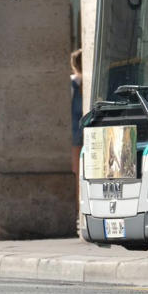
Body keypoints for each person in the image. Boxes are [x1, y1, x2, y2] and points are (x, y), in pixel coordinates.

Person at [70, 49, 83, 196]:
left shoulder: (72, 83)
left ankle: (77, 202)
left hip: (75, 133)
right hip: (84, 131)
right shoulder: (85, 82)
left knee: (76, 170)